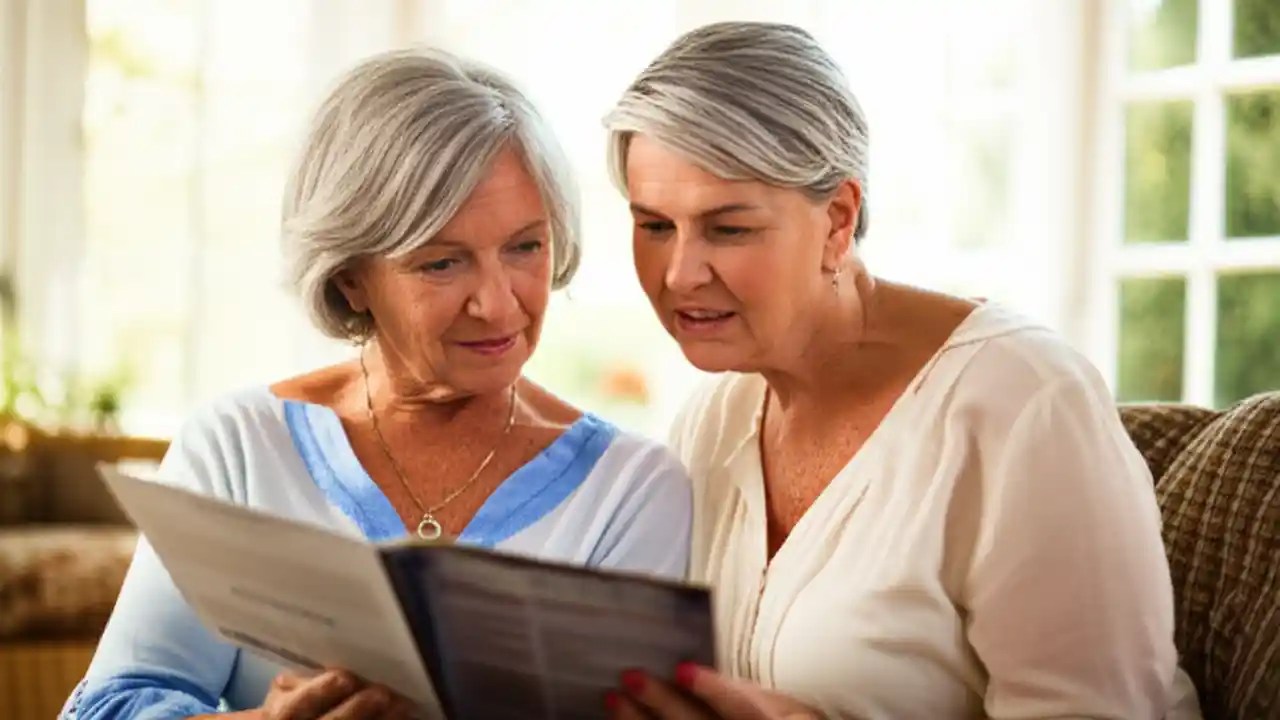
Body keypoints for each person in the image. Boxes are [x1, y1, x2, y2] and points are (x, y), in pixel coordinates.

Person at [60, 47, 692, 720]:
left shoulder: (632, 488)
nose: (500, 304)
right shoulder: (238, 447)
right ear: (350, 277)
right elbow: (109, 707)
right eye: (442, 263)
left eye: (525, 247)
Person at [601, 21, 1202, 720]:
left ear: (837, 220)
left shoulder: (1023, 402)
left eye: (728, 228)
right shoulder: (712, 418)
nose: (679, 274)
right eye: (654, 226)